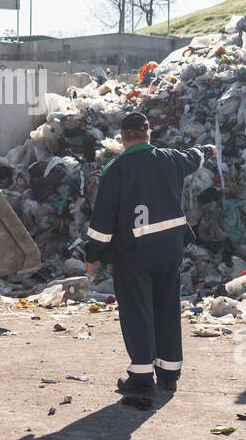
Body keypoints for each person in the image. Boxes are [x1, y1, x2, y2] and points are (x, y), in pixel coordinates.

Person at [85, 112, 215, 397]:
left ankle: (142, 380)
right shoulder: (170, 158)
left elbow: (102, 221)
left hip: (134, 254)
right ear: (148, 134)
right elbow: (195, 156)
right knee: (166, 307)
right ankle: (169, 374)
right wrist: (209, 149)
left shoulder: (115, 169)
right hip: (170, 250)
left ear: (122, 138)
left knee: (137, 311)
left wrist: (93, 254)